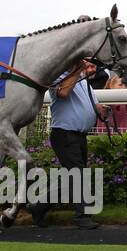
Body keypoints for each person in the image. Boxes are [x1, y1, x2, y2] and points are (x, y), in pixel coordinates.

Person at [27, 58, 108, 229]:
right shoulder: (58, 76)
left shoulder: (84, 81)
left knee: (70, 178)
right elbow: (63, 93)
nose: (85, 63)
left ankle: (38, 207)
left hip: (79, 136)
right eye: (81, 60)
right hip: (64, 135)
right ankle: (82, 216)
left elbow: (94, 103)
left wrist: (100, 110)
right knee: (78, 174)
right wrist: (78, 70)